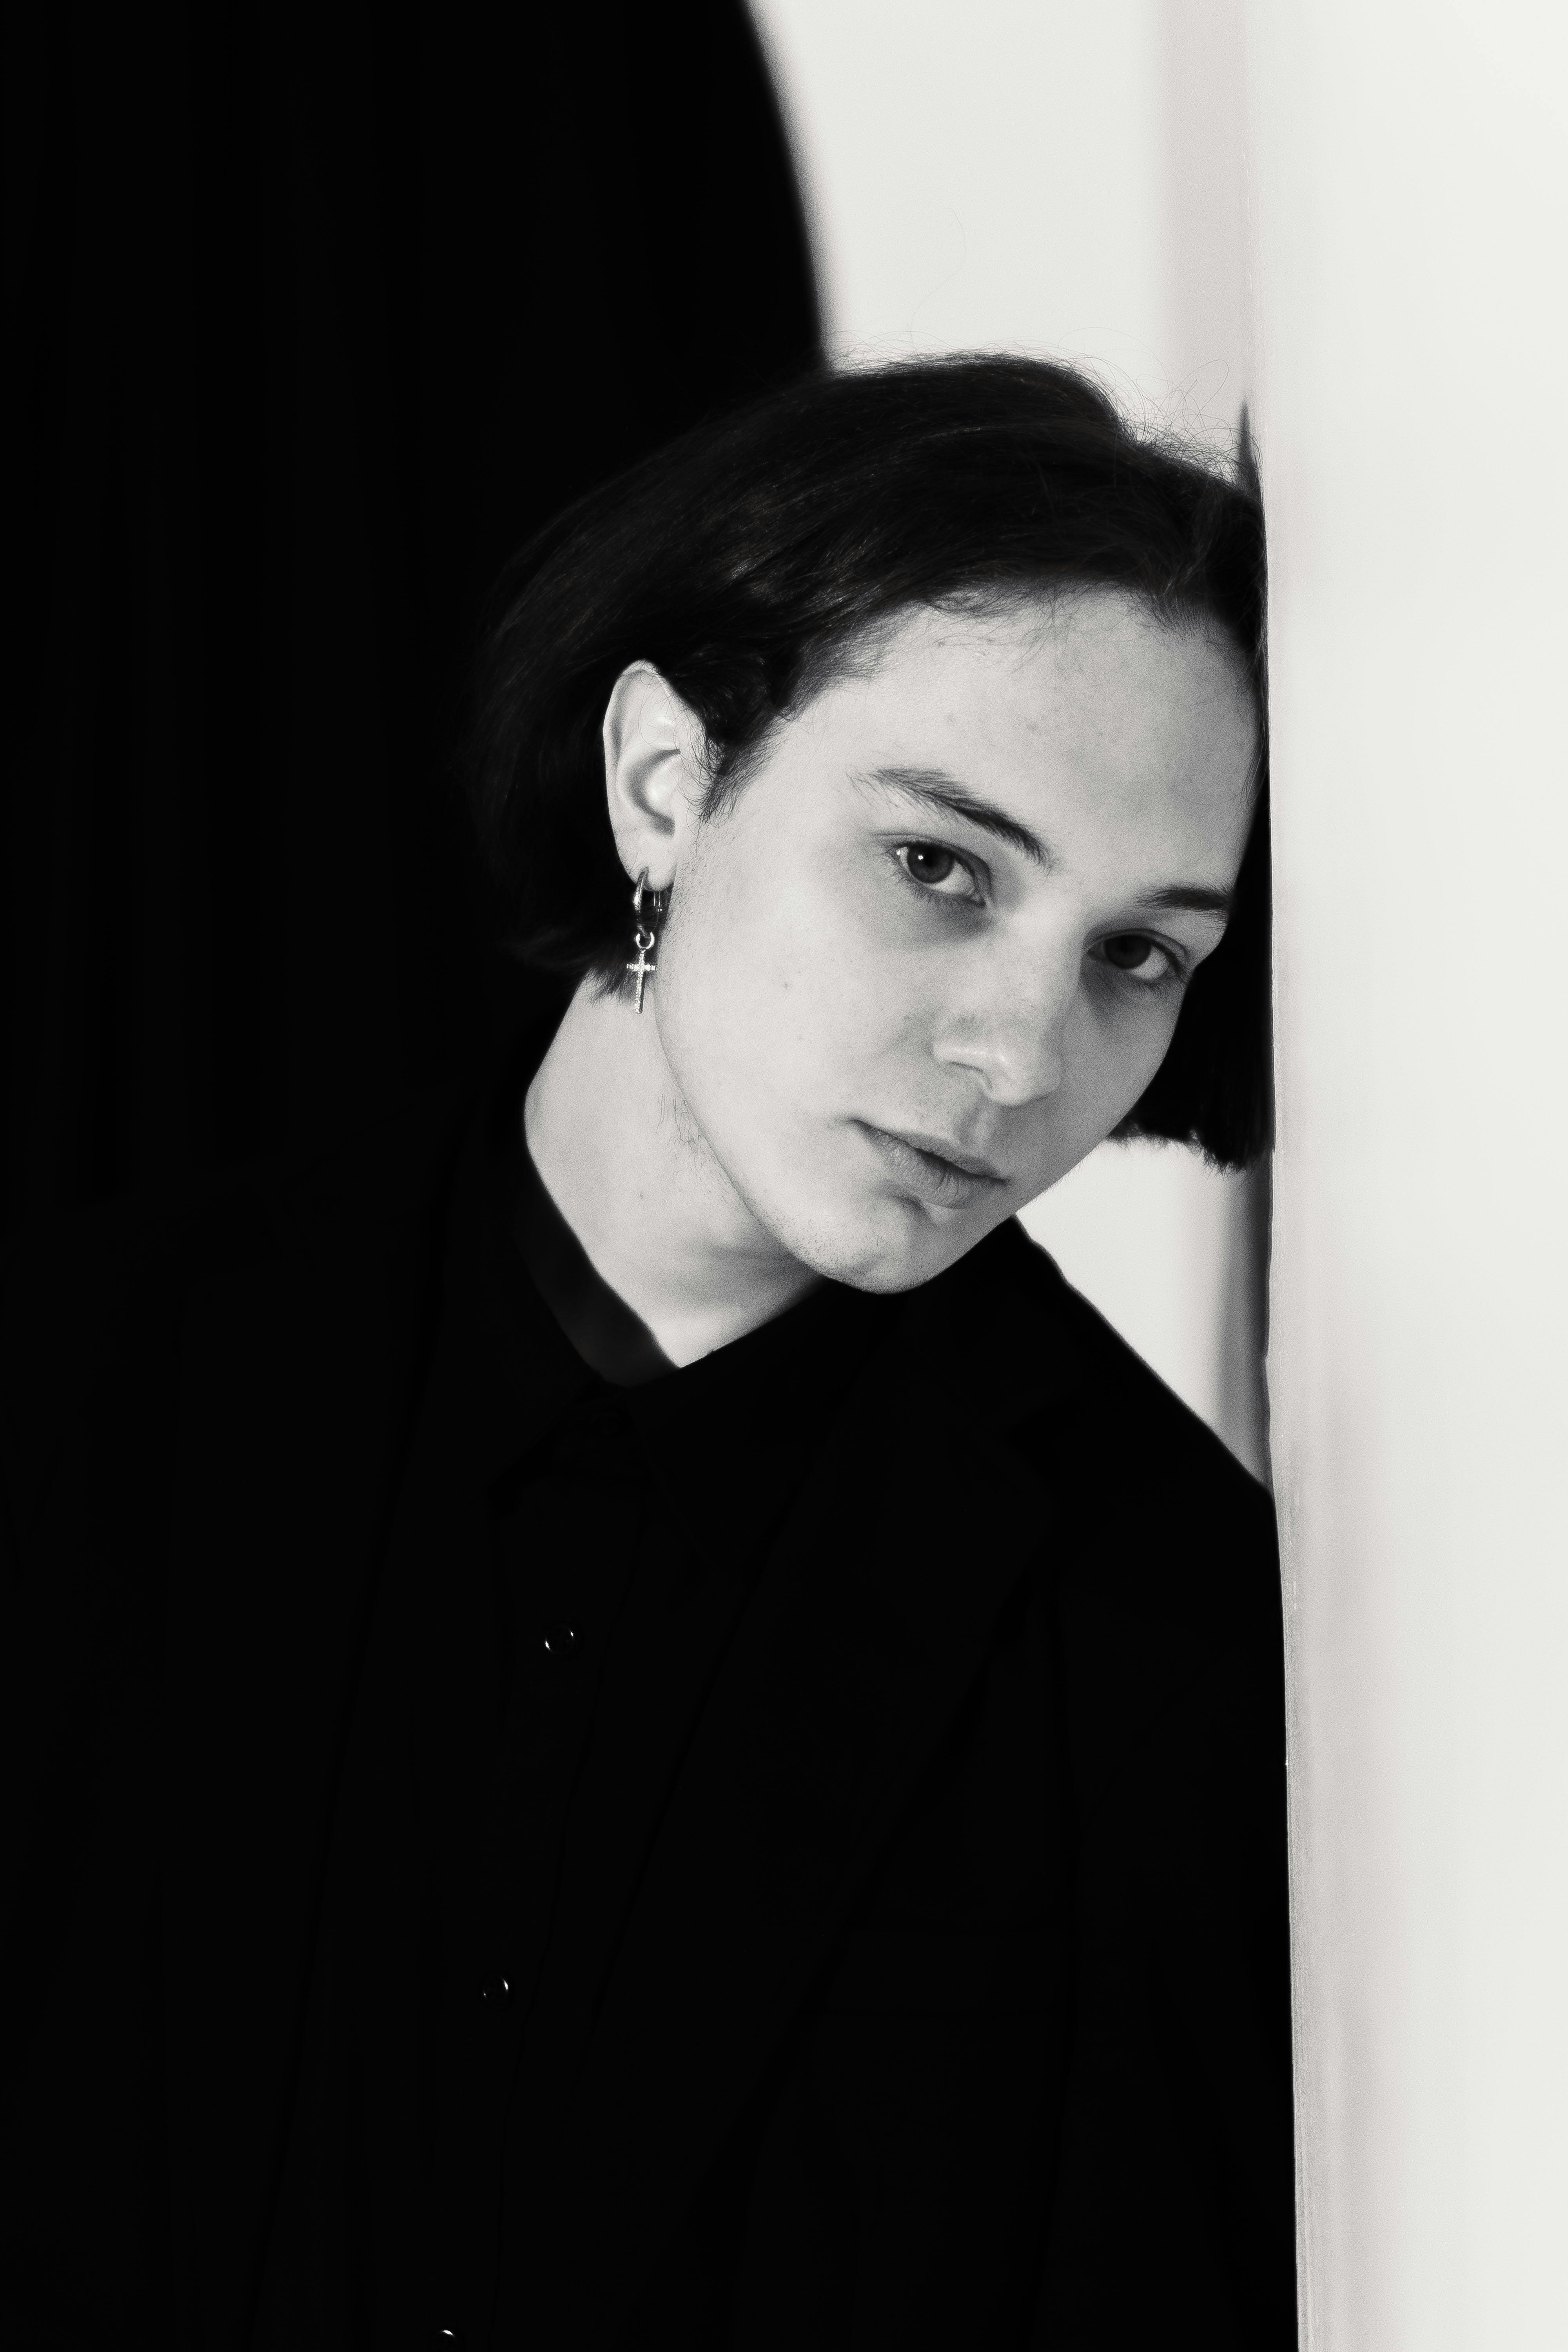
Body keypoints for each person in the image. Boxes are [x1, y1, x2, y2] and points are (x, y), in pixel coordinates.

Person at [1, 356, 1294, 2348]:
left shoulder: (1163, 1637)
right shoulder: (84, 1395)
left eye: (1138, 954)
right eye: (938, 866)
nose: (1024, 1062)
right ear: (665, 783)